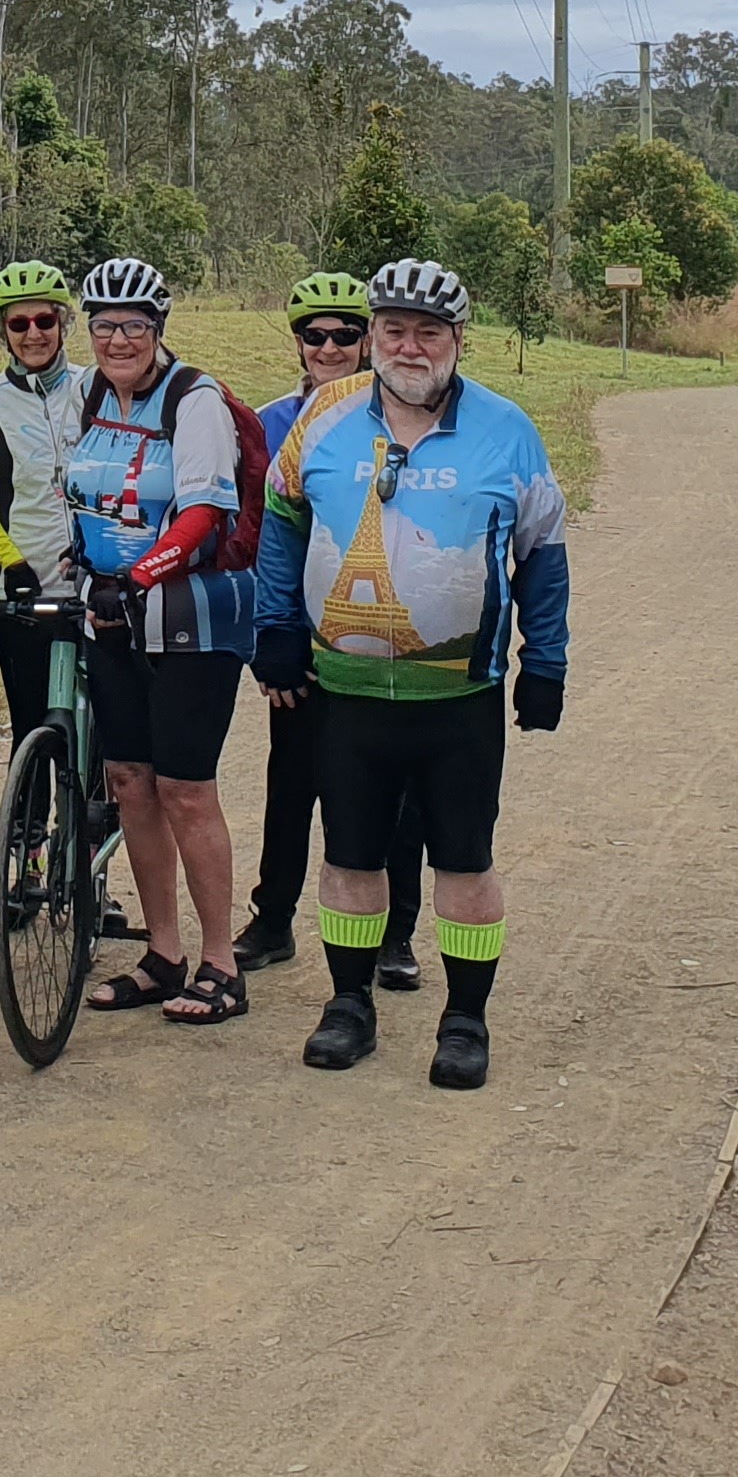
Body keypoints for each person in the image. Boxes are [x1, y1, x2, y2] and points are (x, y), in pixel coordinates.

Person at [253, 257, 570, 1091]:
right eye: (394, 330)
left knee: (464, 860)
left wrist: (546, 661)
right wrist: (274, 626)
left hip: (459, 697)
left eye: (429, 332)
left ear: (459, 338)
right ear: (373, 336)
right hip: (344, 693)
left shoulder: (507, 429)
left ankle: (465, 1018)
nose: (410, 346)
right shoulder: (324, 415)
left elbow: (542, 552)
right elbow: (281, 520)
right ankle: (348, 1004)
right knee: (350, 855)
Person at [62, 255, 258, 1029]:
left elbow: (205, 513)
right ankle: (163, 952)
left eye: (134, 325)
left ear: (159, 327)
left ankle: (222, 964)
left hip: (191, 618)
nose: (118, 339)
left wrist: (140, 576)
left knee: (184, 786)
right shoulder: (87, 394)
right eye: (104, 324)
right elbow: (76, 500)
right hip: (111, 613)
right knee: (129, 780)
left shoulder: (194, 400)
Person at [234, 272, 426, 985]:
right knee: (291, 780)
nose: (329, 347)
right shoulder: (269, 422)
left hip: (380, 635)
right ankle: (273, 917)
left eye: (346, 334)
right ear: (297, 341)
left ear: (368, 341)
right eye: (314, 335)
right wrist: (272, 634)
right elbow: (260, 534)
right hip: (301, 633)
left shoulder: (406, 415)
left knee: (397, 788)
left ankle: (396, 933)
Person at [0, 260, 85, 742]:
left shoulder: (94, 388)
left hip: (92, 586)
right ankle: (28, 797)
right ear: (3, 331)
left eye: (45, 321)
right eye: (19, 324)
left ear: (62, 323)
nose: (34, 334)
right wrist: (12, 562)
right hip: (24, 591)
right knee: (29, 730)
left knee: (110, 737)